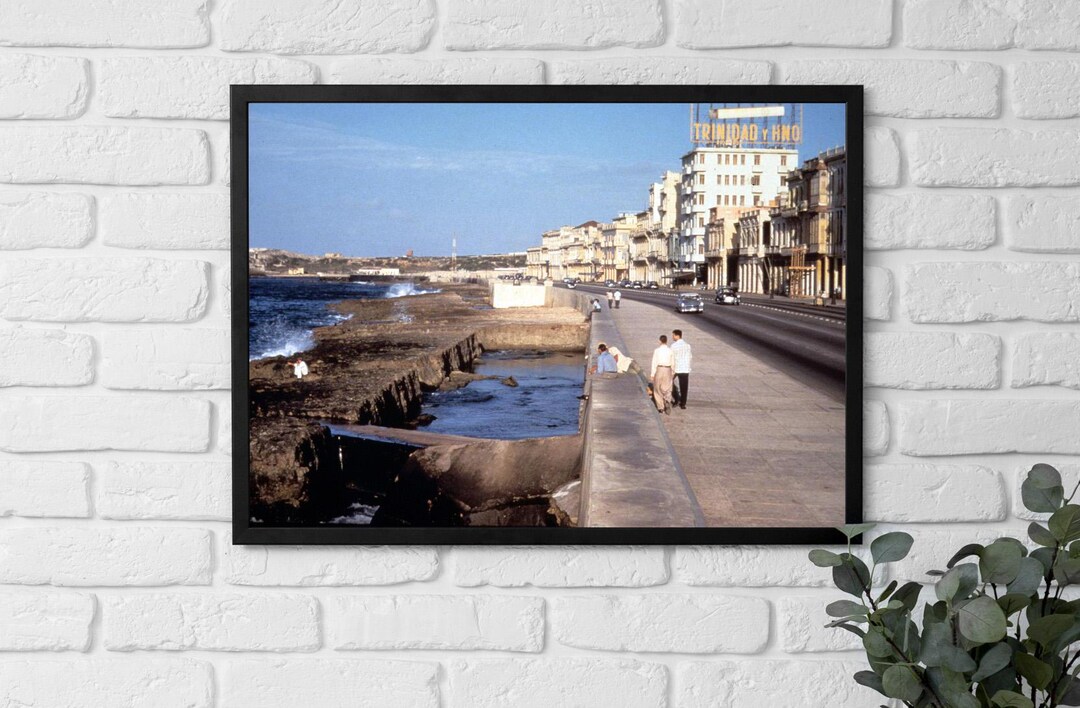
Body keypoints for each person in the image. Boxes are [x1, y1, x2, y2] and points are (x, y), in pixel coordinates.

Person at [650, 335, 674, 414]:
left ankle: (660, 407)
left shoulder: (657, 350)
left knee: (657, 388)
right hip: (668, 369)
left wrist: (652, 374)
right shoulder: (670, 351)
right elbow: (673, 362)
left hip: (659, 369)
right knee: (667, 387)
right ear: (666, 341)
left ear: (660, 341)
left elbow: (654, 362)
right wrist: (673, 372)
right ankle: (667, 400)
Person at [670, 329, 692, 410]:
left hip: (677, 367)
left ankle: (676, 398)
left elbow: (671, 357)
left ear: (677, 336)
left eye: (673, 335)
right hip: (685, 368)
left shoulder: (673, 346)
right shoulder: (687, 345)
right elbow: (690, 356)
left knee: (669, 382)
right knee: (684, 387)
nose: (672, 337)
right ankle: (683, 403)